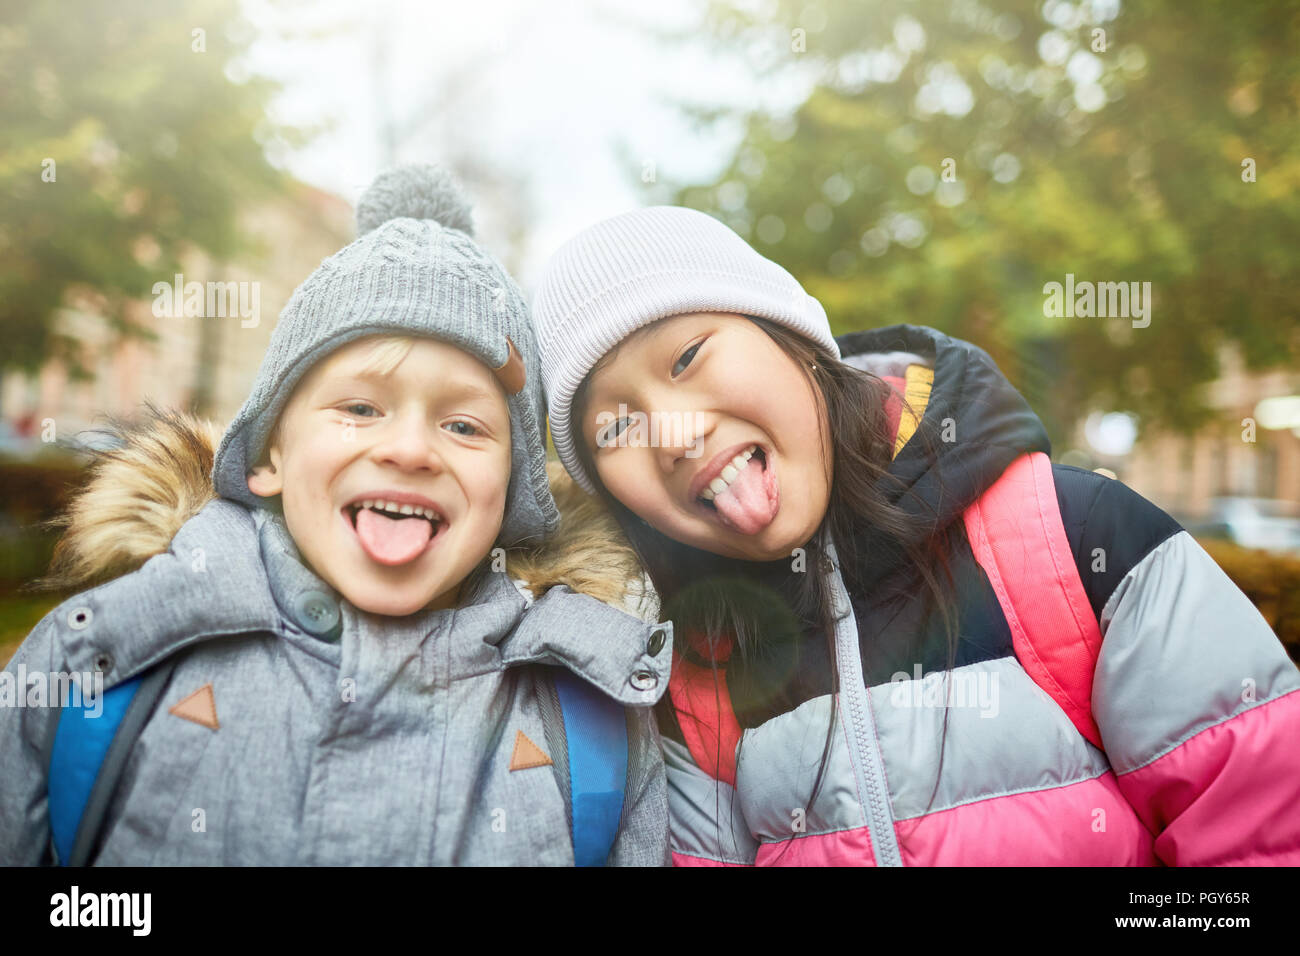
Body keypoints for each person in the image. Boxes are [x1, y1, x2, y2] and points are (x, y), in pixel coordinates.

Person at [529, 205, 1300, 866]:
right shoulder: (694, 673)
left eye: (688, 356)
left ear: (793, 339)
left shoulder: (1079, 538)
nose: (673, 433)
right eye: (616, 426)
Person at [0, 165, 673, 866]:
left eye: (466, 426)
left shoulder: (591, 719)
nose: (410, 449)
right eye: (359, 409)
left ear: (511, 500)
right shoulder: (105, 654)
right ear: (269, 459)